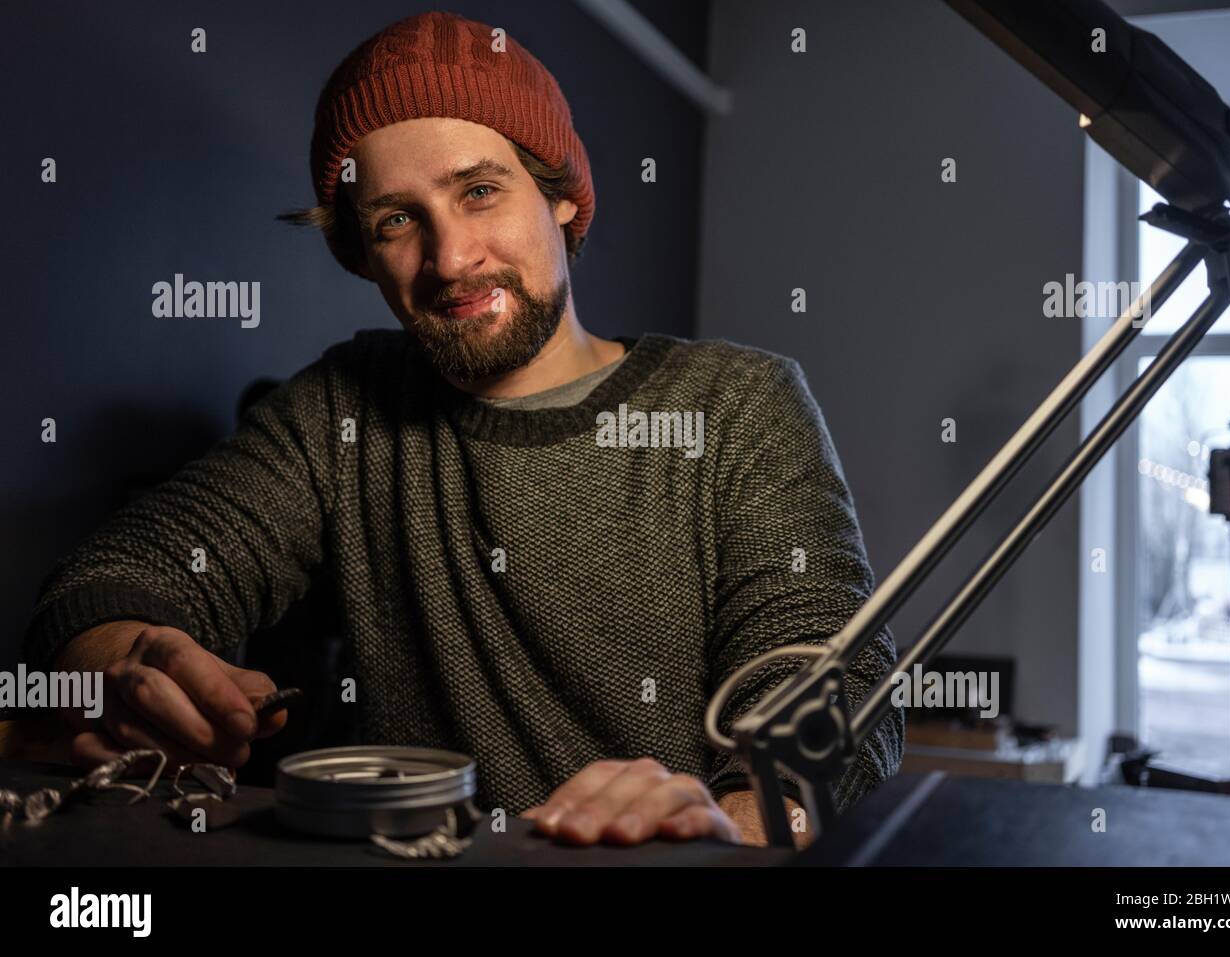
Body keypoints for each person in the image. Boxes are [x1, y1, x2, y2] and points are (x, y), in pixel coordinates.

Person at [23, 10, 902, 849]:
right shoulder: (341, 408)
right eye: (397, 220)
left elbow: (831, 688)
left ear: (561, 197)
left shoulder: (740, 403)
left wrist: (733, 826)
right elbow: (111, 578)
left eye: (479, 191)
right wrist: (134, 667)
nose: (450, 259)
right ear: (365, 254)